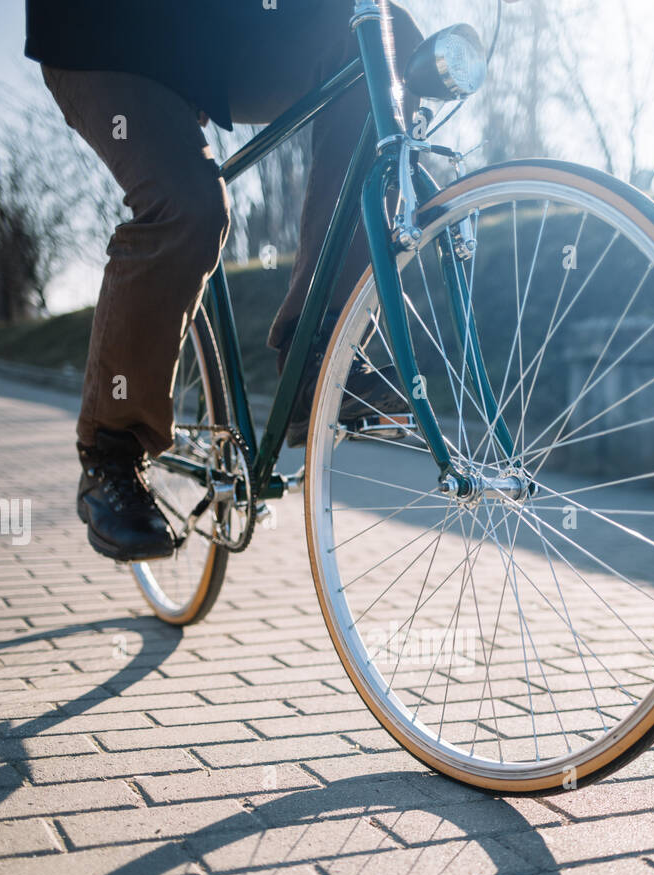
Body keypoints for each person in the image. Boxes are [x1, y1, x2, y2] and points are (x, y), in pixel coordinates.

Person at [24, 1, 424, 561]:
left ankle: (321, 351)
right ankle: (109, 454)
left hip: (217, 34)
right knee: (189, 205)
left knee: (380, 30)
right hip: (105, 37)